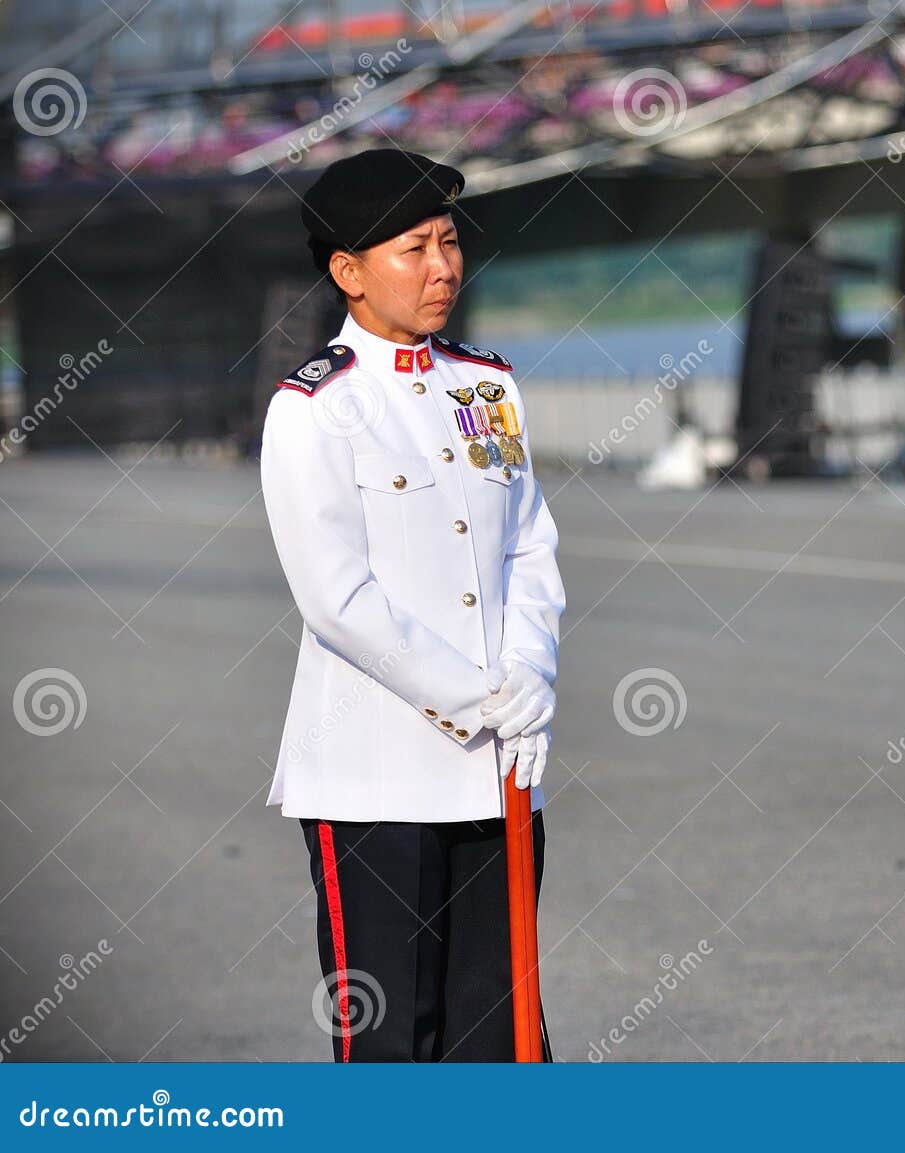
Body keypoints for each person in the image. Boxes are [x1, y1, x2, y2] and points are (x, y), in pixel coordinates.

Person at [258, 147, 565, 1061]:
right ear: (348, 272)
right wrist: (479, 697)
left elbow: (529, 543)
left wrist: (532, 671)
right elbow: (337, 598)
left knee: (501, 1034)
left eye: (449, 241)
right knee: (392, 1041)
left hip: (499, 770)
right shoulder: (314, 408)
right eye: (413, 249)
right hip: (374, 778)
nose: (441, 267)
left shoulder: (486, 385)